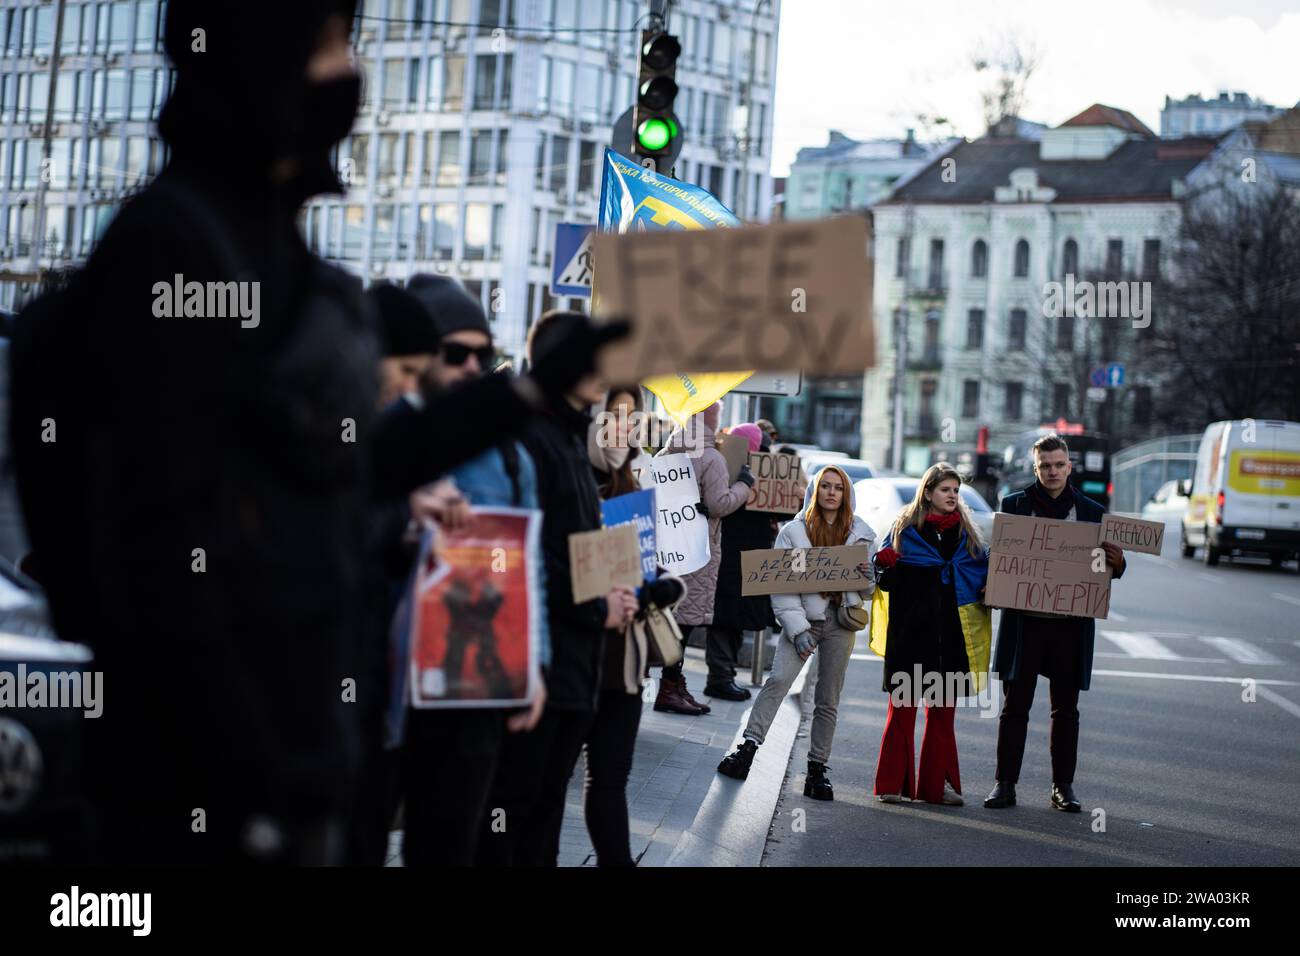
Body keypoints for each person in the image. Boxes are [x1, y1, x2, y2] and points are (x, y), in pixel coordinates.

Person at [8, 1, 623, 865]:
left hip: (296, 766)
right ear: (262, 63)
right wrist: (247, 772)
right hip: (204, 788)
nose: (350, 76)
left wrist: (529, 389)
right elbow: (151, 551)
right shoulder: (175, 248)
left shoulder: (274, 250)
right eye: (333, 48)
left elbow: (351, 464)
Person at [392, 275, 552, 867]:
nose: (470, 366)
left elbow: (526, 565)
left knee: (448, 847)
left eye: (482, 354)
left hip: (468, 681)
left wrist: (531, 666)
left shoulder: (507, 448)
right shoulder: (367, 429)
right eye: (454, 352)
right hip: (373, 681)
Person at [476, 311, 639, 867]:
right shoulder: (530, 439)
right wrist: (598, 605)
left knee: (544, 816)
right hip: (539, 665)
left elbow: (578, 544)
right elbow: (525, 554)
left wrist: (619, 590)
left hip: (577, 666)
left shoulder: (569, 440)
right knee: (513, 817)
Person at [984, 434, 1127, 813]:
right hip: (1024, 625)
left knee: (1066, 710)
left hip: (1070, 626)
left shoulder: (1093, 512)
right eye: (1045, 465)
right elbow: (998, 559)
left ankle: (1062, 787)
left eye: (1058, 465)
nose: (1052, 471)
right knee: (1015, 708)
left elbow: (1104, 571)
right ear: (1036, 468)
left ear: (1069, 467)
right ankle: (1004, 784)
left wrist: (1118, 563)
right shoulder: (1014, 506)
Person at [716, 465, 876, 801]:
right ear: (815, 491)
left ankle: (817, 770)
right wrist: (798, 628)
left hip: (841, 623)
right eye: (826, 486)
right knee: (778, 682)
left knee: (827, 698)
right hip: (804, 619)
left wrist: (869, 576)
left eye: (839, 488)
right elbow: (782, 586)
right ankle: (746, 749)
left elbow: (865, 590)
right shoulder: (793, 531)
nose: (832, 492)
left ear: (847, 494)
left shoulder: (862, 533)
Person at [586, 383, 687, 866]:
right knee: (539, 790)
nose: (625, 425)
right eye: (615, 414)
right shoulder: (569, 477)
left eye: (632, 416)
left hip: (621, 663)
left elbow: (647, 559)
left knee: (609, 780)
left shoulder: (635, 481)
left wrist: (660, 587)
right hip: (570, 659)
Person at [869, 463, 991, 806]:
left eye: (956, 491)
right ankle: (892, 784)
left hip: (951, 640)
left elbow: (980, 580)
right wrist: (886, 565)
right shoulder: (903, 532)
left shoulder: (968, 536)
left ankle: (940, 786)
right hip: (910, 639)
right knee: (902, 711)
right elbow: (886, 583)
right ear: (928, 493)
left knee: (941, 716)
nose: (952, 496)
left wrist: (992, 586)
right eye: (945, 490)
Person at [653, 402, 755, 715]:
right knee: (684, 621)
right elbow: (719, 503)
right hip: (698, 549)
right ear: (711, 419)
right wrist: (744, 486)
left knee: (668, 613)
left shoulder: (664, 454)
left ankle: (670, 683)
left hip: (666, 546)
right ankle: (670, 687)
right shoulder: (711, 458)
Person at [704, 423, 778, 701]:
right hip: (729, 549)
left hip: (744, 550)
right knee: (723, 616)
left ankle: (725, 675)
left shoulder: (769, 469)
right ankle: (720, 677)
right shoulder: (724, 465)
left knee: (733, 617)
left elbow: (782, 508)